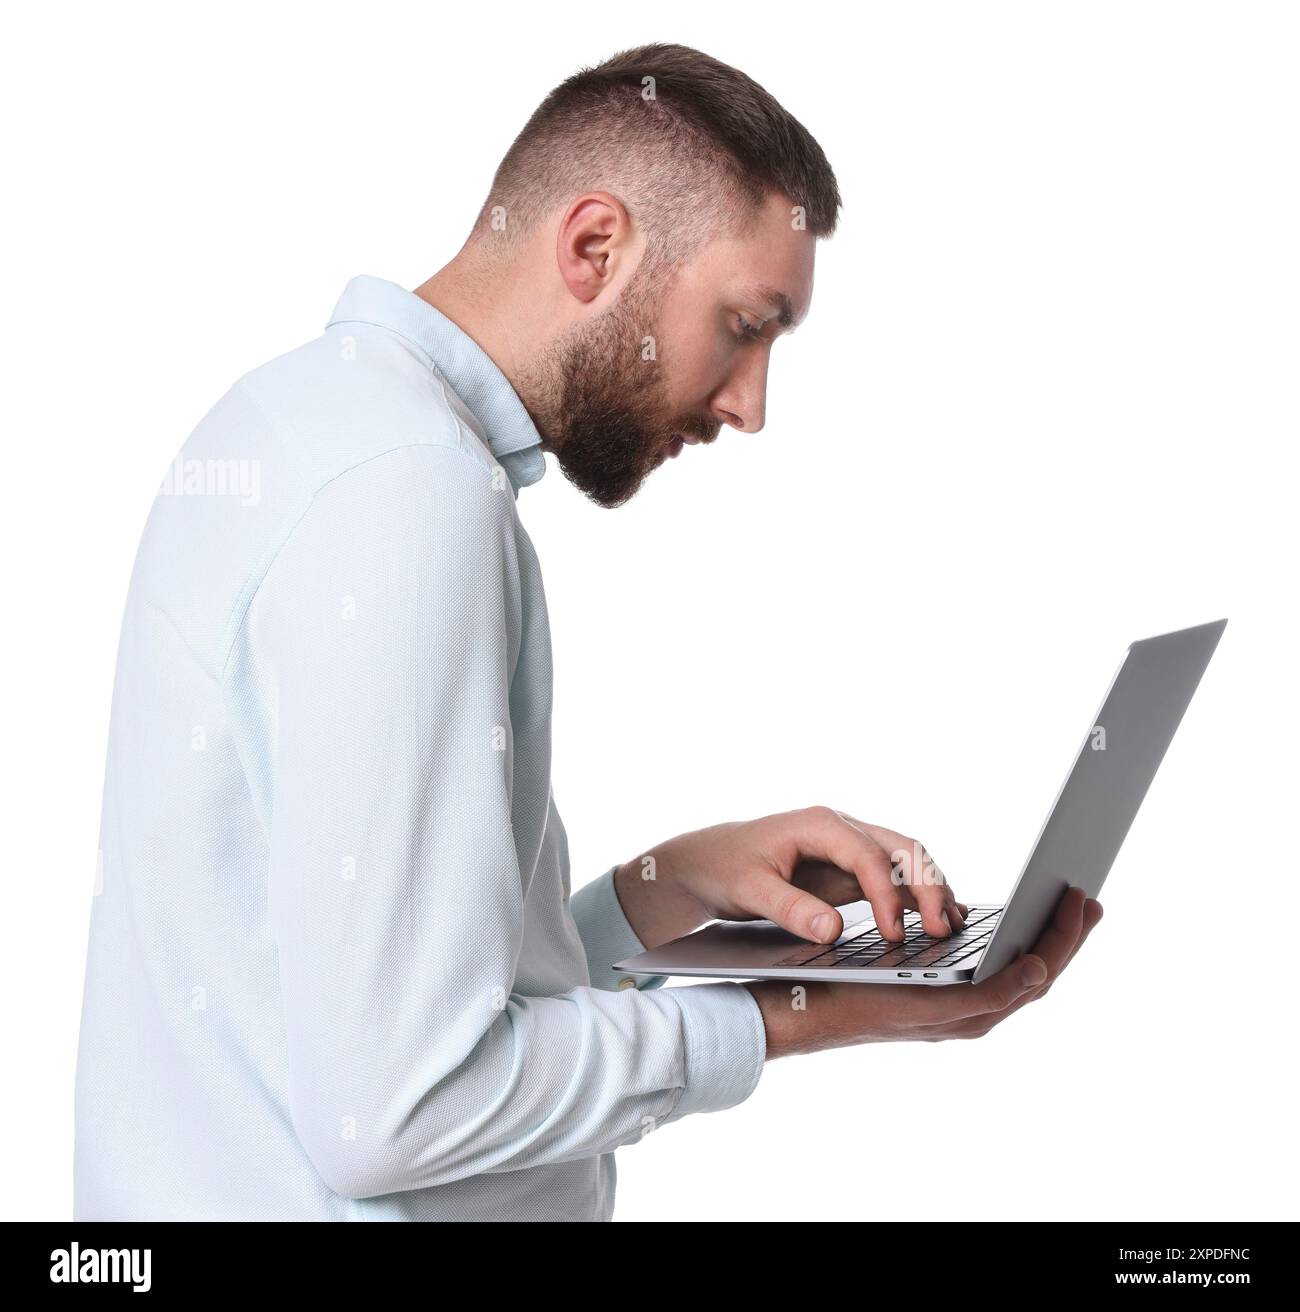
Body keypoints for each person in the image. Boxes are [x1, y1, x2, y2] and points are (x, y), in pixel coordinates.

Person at [74, 42, 1102, 1222]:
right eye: (743, 325)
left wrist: (667, 888)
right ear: (595, 246)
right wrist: (794, 1017)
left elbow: (384, 1013)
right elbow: (397, 1112)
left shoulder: (303, 423)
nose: (748, 406)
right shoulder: (409, 491)